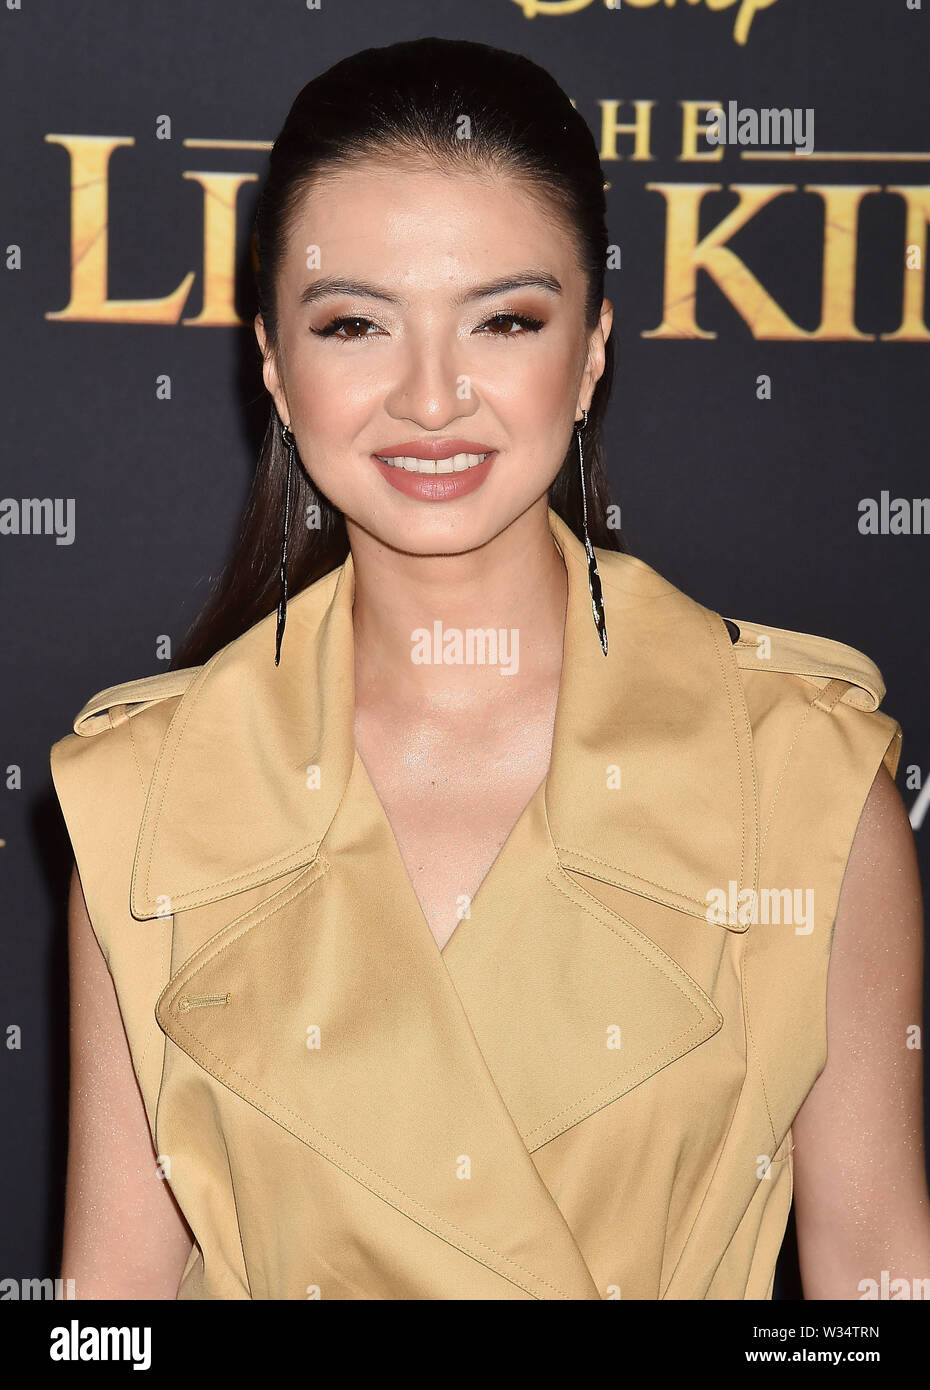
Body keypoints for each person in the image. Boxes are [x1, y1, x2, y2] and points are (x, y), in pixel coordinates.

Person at [50, 37, 929, 1301]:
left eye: (504, 319)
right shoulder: (145, 801)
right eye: (354, 322)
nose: (430, 396)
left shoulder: (800, 778)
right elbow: (107, 1315)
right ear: (274, 369)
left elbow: (876, 1286)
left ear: (591, 351)